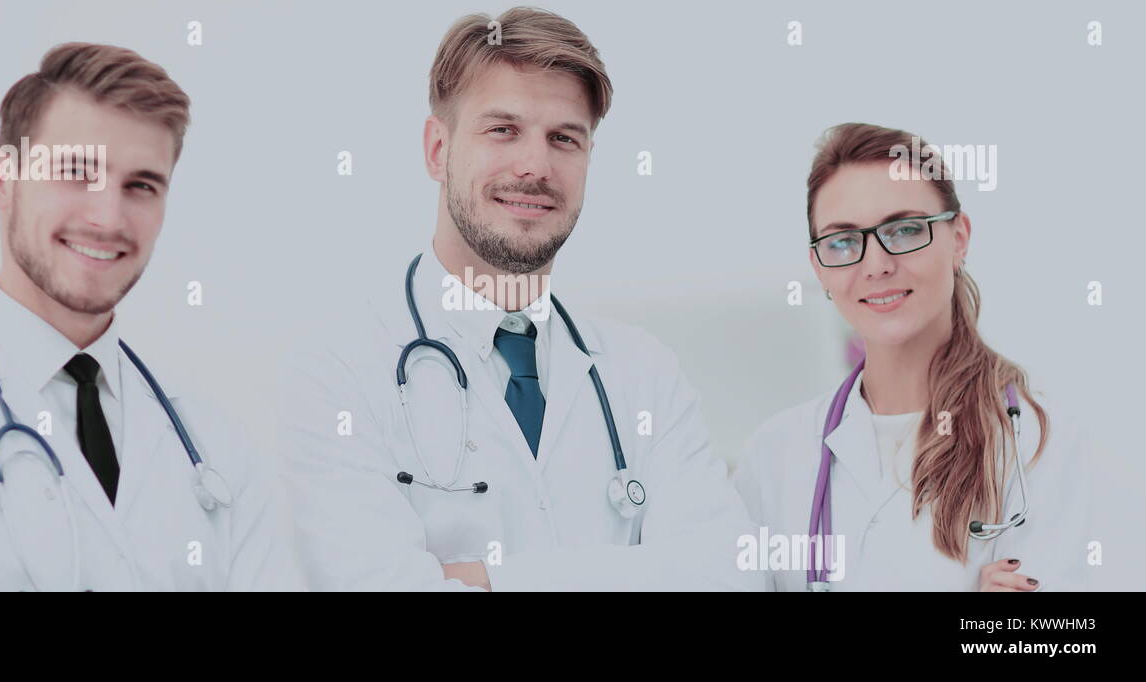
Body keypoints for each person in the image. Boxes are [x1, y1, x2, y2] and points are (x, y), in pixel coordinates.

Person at [278, 7, 762, 591]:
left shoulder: (644, 374)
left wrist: (487, 579)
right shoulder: (338, 373)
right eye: (502, 129)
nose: (535, 167)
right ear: (438, 149)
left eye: (564, 138)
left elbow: (729, 576)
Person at [0, 43, 291, 591]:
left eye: (141, 186)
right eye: (76, 172)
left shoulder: (215, 447)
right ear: (0, 181)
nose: (107, 217)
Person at [733, 122, 1092, 591]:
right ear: (819, 266)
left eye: (903, 230)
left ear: (958, 238)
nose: (876, 264)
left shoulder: (1039, 445)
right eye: (843, 241)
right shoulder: (773, 457)